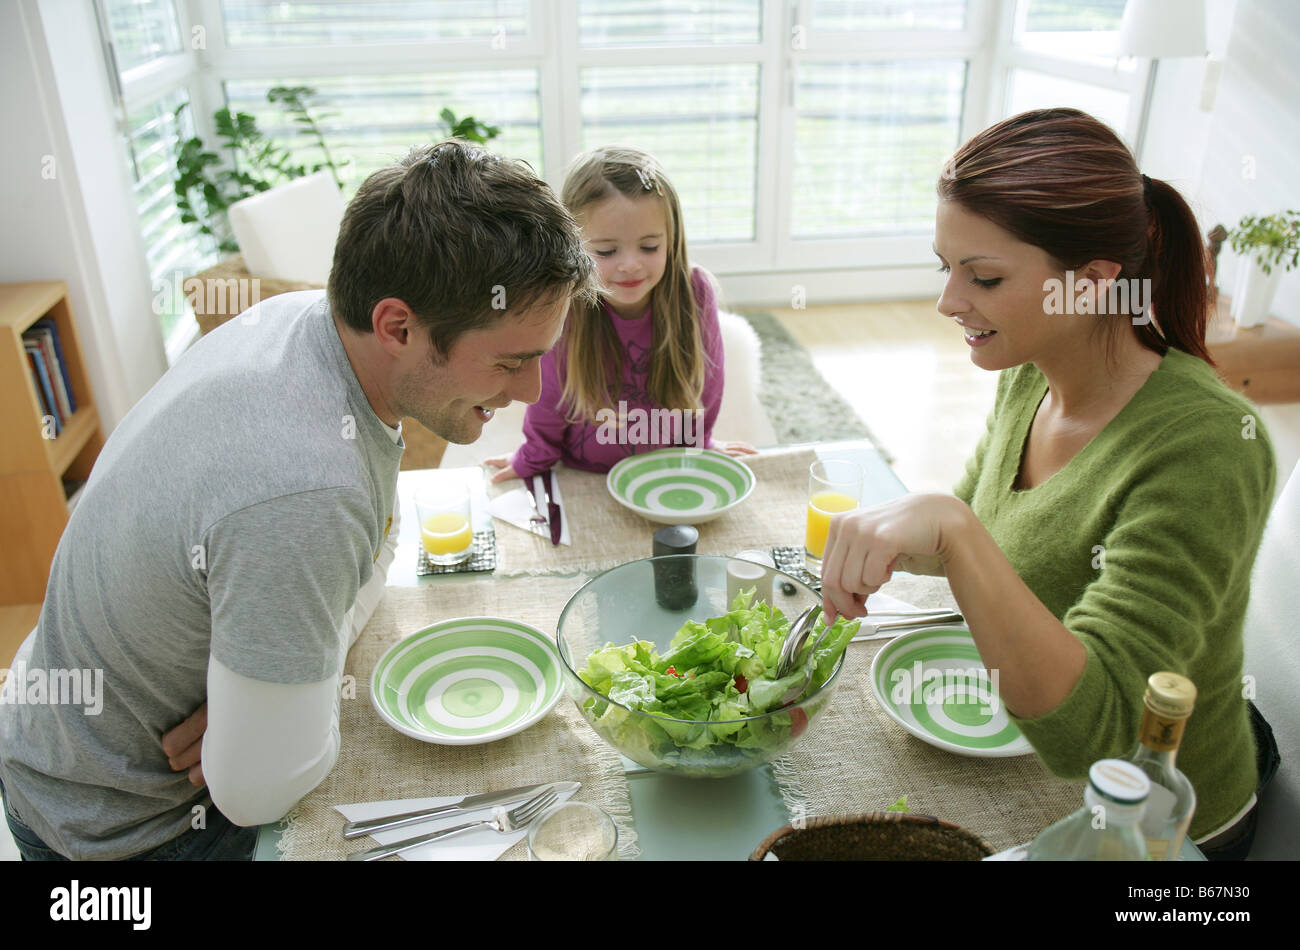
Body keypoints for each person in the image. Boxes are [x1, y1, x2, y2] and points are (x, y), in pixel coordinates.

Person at [0, 140, 597, 860]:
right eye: (510, 360)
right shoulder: (306, 486)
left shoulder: (299, 323)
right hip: (125, 833)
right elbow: (256, 790)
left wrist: (267, 698)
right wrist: (282, 716)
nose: (532, 392)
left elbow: (382, 538)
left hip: (55, 749)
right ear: (397, 326)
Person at [818, 108, 1277, 858]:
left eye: (985, 277)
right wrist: (899, 531)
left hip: (1158, 830)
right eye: (947, 266)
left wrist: (952, 528)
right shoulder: (1032, 375)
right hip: (1036, 747)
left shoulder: (1209, 448)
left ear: (1092, 286)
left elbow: (1095, 729)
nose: (948, 302)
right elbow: (982, 534)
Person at [485, 145, 755, 483]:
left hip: (665, 471)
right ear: (574, 246)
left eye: (649, 247)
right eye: (607, 251)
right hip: (584, 475)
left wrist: (699, 448)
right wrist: (534, 458)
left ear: (672, 239)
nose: (630, 264)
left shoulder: (695, 291)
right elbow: (547, 398)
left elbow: (708, 387)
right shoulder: (562, 303)